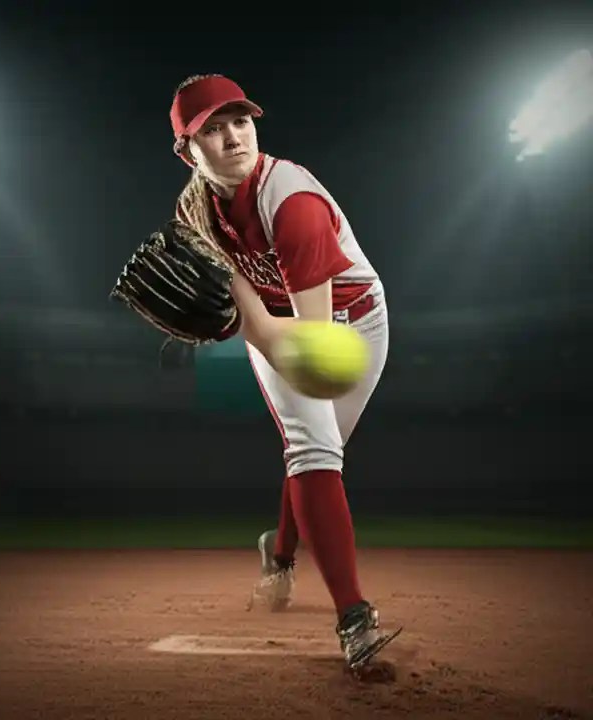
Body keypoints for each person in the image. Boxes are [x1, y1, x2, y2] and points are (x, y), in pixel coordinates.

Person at [166, 75, 400, 670]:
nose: (232, 136)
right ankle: (354, 616)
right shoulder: (197, 214)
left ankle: (281, 548)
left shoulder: (291, 202)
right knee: (314, 452)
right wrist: (238, 325)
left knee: (323, 452)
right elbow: (264, 328)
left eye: (239, 121)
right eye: (211, 130)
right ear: (188, 152)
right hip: (283, 322)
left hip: (355, 326)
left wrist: (245, 328)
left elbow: (314, 341)